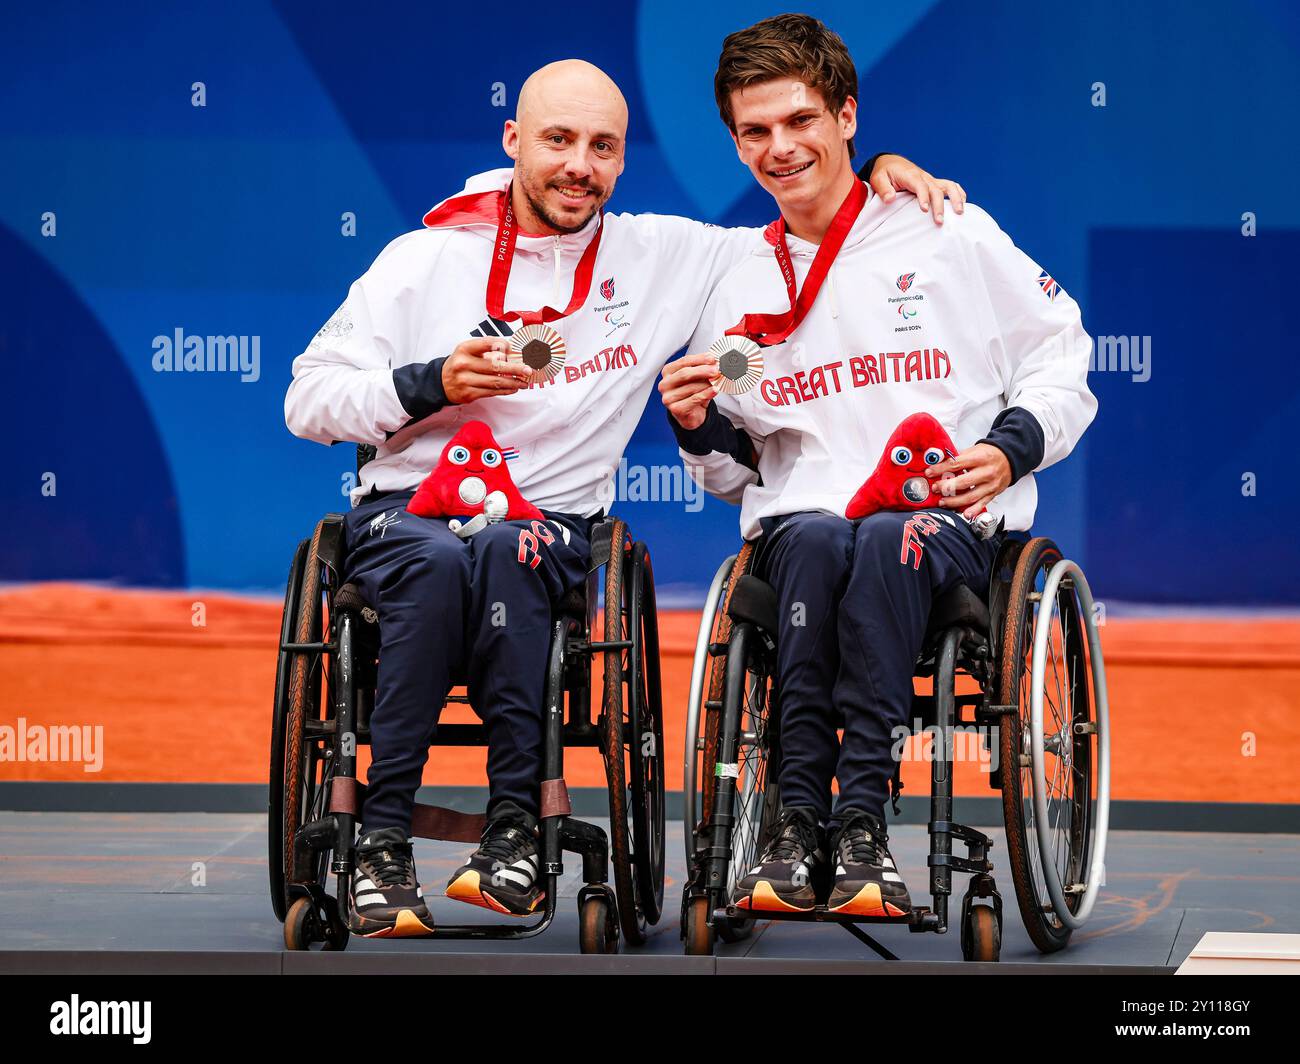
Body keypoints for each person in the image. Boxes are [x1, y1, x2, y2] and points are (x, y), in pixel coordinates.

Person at [285, 57, 960, 935]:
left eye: (603, 147)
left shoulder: (663, 256)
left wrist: (873, 167)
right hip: (410, 514)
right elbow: (307, 399)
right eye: (559, 140)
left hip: (546, 533)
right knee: (438, 556)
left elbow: (808, 215)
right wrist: (429, 382)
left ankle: (515, 833)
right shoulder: (421, 260)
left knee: (505, 549)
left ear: (621, 161)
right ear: (512, 141)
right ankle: (380, 844)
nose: (580, 165)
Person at [661, 14, 1096, 918]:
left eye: (801, 120)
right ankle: (793, 824)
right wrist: (699, 429)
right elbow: (738, 475)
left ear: (847, 115)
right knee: (819, 541)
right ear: (735, 143)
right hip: (805, 526)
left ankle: (858, 822)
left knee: (891, 539)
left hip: (939, 518)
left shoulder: (945, 228)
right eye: (756, 131)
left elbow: (1062, 354)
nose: (781, 148)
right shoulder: (736, 277)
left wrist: (1005, 448)